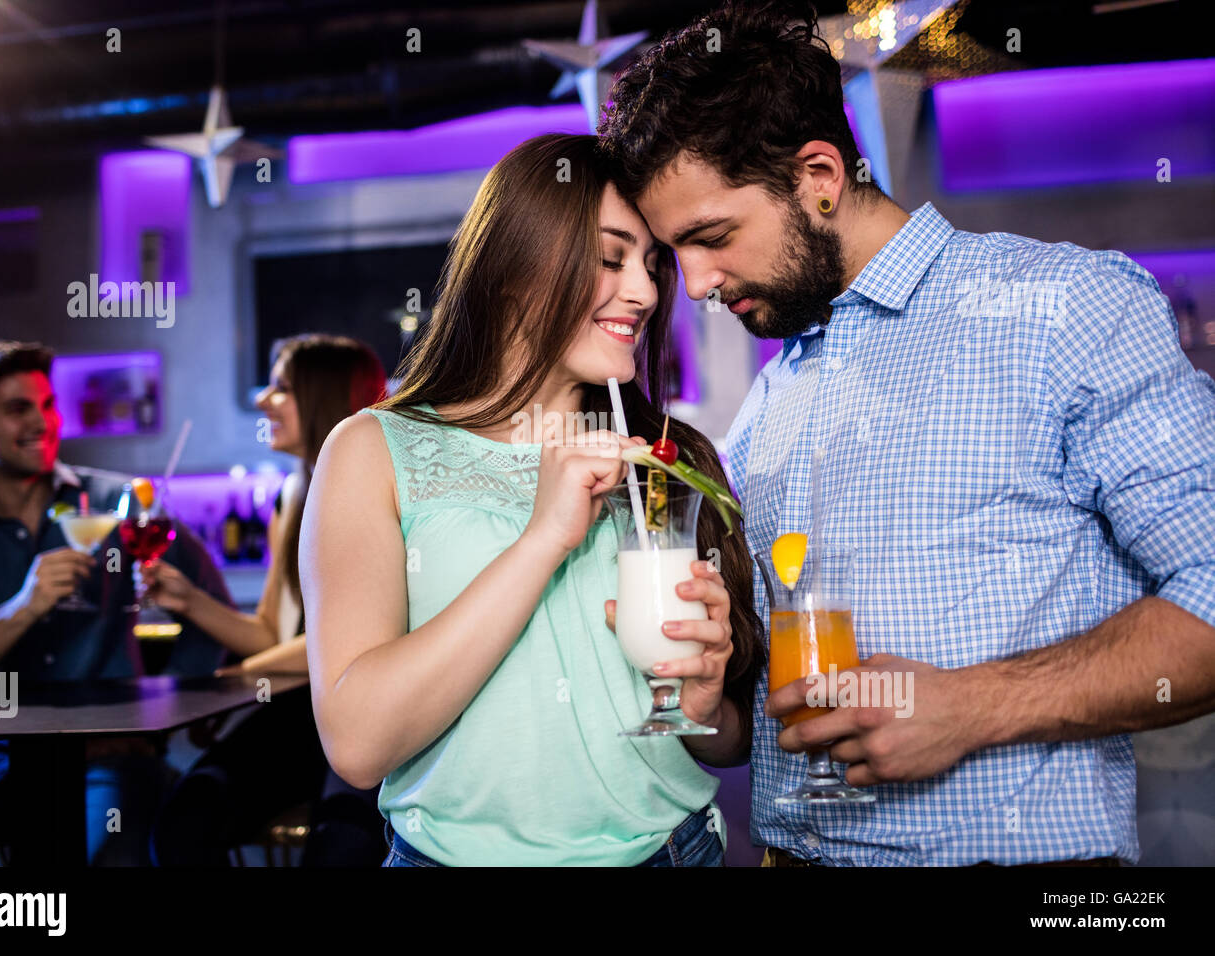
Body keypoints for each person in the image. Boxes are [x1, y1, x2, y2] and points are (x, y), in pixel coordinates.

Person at [598, 0, 1215, 866]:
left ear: (819, 174)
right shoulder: (772, 400)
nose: (692, 284)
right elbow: (766, 729)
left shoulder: (1068, 311)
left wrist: (974, 705)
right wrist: (708, 704)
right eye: (676, 254)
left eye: (711, 237)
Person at [301, 133, 765, 867]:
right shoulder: (370, 451)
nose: (645, 291)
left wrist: (706, 710)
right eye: (611, 258)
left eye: (651, 265)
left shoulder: (672, 462)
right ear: (515, 264)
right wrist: (542, 538)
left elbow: (734, 739)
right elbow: (357, 745)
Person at [0, 340, 232, 866]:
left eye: (47, 405)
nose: (43, 423)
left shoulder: (122, 504)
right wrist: (22, 608)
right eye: (18, 409)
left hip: (106, 757)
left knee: (113, 856)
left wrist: (158, 719)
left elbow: (210, 611)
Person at [146, 334, 389, 866]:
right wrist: (187, 600)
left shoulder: (377, 482)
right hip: (296, 712)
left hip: (361, 707)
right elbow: (273, 634)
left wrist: (236, 677)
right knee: (182, 825)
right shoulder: (290, 493)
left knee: (340, 849)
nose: (263, 401)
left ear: (322, 395)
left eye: (281, 387)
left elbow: (351, 641)